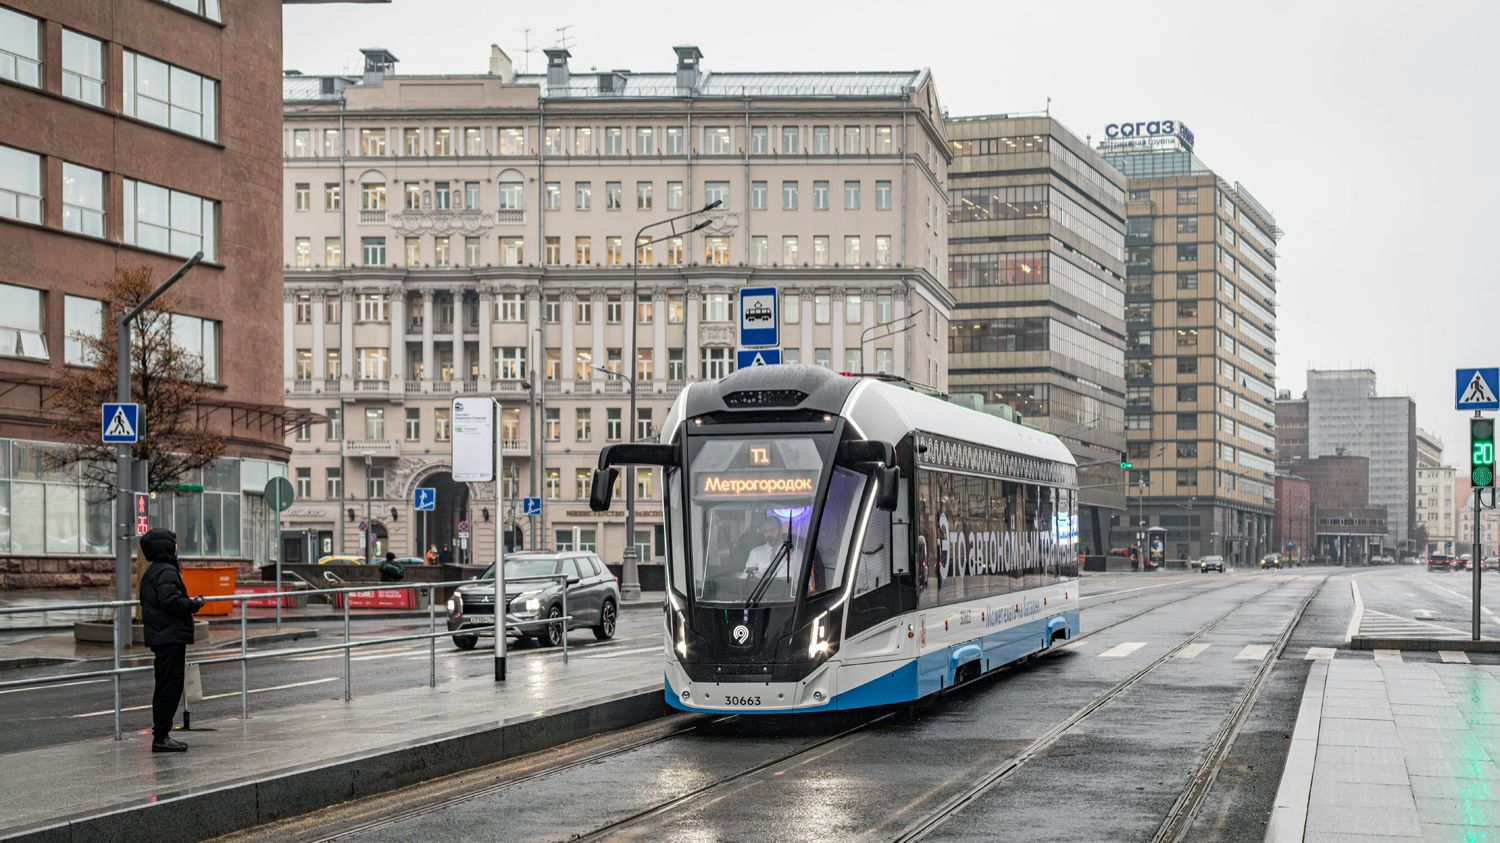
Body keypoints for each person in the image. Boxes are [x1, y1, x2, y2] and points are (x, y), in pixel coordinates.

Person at [138, 527, 205, 753]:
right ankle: (161, 736)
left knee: (165, 685)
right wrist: (194, 604)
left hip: (162, 636)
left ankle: (161, 734)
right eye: (173, 543)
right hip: (169, 637)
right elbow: (172, 603)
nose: (176, 547)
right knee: (170, 686)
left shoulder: (152, 572)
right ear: (165, 546)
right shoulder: (165, 571)